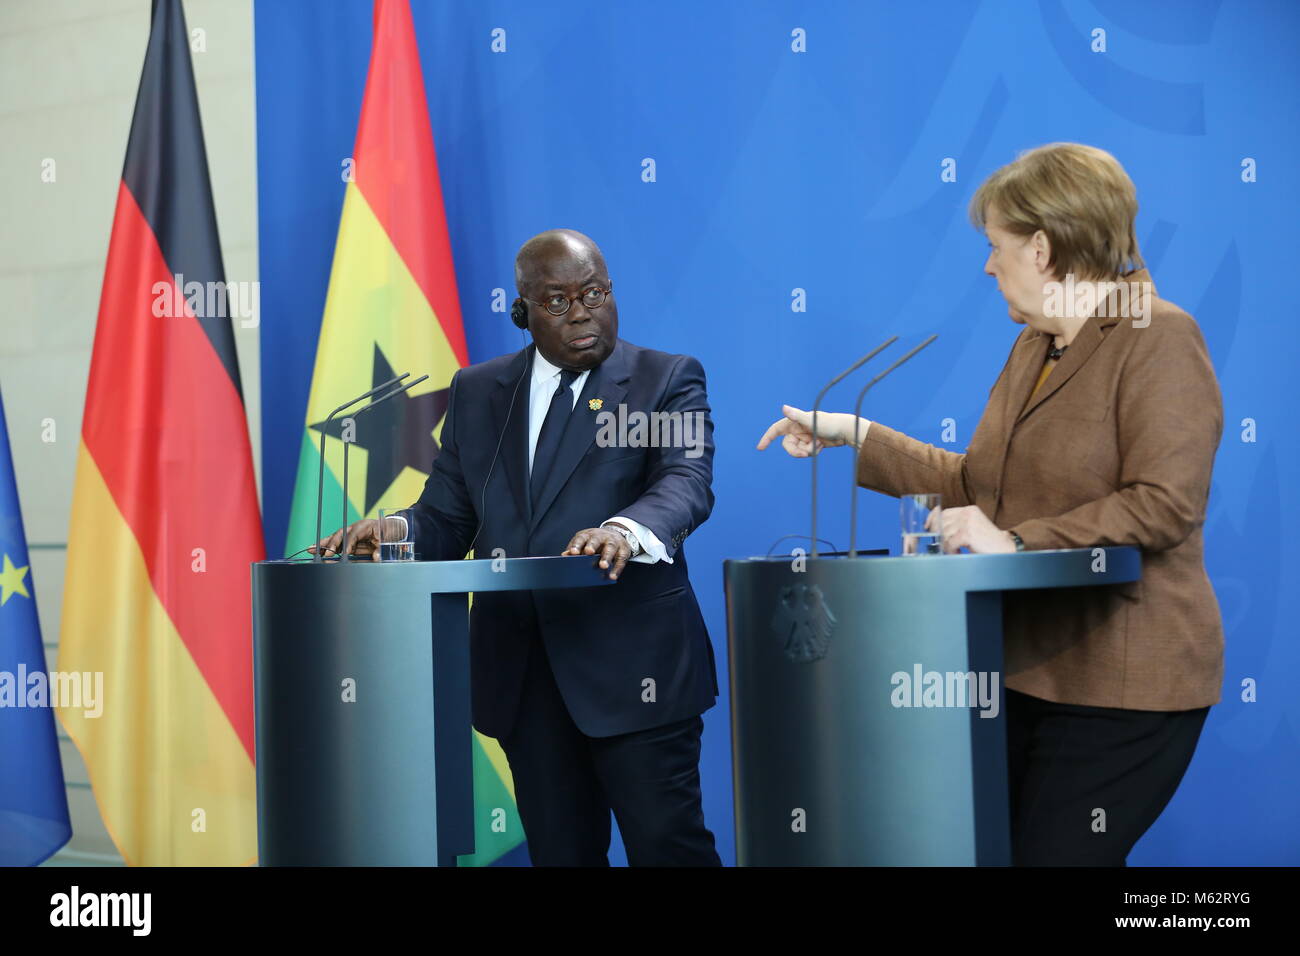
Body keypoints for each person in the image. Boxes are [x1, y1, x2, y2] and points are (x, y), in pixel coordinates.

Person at [757, 143, 1224, 866]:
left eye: (994, 246)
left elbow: (1165, 504)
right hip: (1022, 670)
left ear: (1041, 248)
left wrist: (1019, 543)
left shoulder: (1159, 336)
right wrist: (856, 434)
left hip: (1123, 682)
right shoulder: (1036, 347)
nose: (986, 266)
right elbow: (982, 489)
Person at [316, 229, 721, 866]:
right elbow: (446, 518)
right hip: (525, 676)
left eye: (595, 293)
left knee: (668, 849)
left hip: (635, 670)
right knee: (561, 856)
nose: (582, 311)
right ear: (522, 310)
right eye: (557, 301)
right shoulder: (480, 392)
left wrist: (624, 529)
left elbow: (685, 482)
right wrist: (393, 531)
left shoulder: (661, 381)